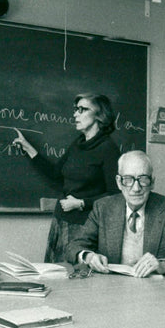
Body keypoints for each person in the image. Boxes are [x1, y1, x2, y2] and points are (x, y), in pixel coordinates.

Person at [12, 93, 121, 263]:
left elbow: (115, 195)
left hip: (86, 229)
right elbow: (56, 174)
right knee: (55, 275)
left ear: (100, 115)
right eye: (76, 109)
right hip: (61, 222)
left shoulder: (109, 149)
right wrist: (29, 149)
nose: (75, 114)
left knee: (77, 280)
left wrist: (82, 203)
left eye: (82, 109)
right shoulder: (78, 144)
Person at [66, 150, 165, 276]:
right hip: (110, 289)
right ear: (119, 182)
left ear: (152, 182)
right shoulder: (103, 207)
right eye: (128, 179)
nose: (136, 188)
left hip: (155, 291)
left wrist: (163, 265)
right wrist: (89, 257)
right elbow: (73, 247)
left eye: (143, 179)